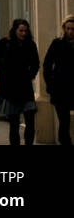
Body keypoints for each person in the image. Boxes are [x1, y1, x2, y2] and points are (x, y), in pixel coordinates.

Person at [0, 18, 40, 145]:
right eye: (20, 31)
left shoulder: (30, 45)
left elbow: (36, 63)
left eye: (25, 31)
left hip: (26, 88)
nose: (23, 33)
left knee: (30, 122)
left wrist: (30, 75)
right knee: (14, 125)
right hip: (11, 89)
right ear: (15, 30)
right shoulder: (6, 44)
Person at [43, 14, 74, 146]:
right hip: (60, 88)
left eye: (73, 29)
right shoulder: (57, 43)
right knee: (64, 120)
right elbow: (47, 64)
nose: (70, 31)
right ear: (64, 29)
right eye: (68, 28)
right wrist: (50, 84)